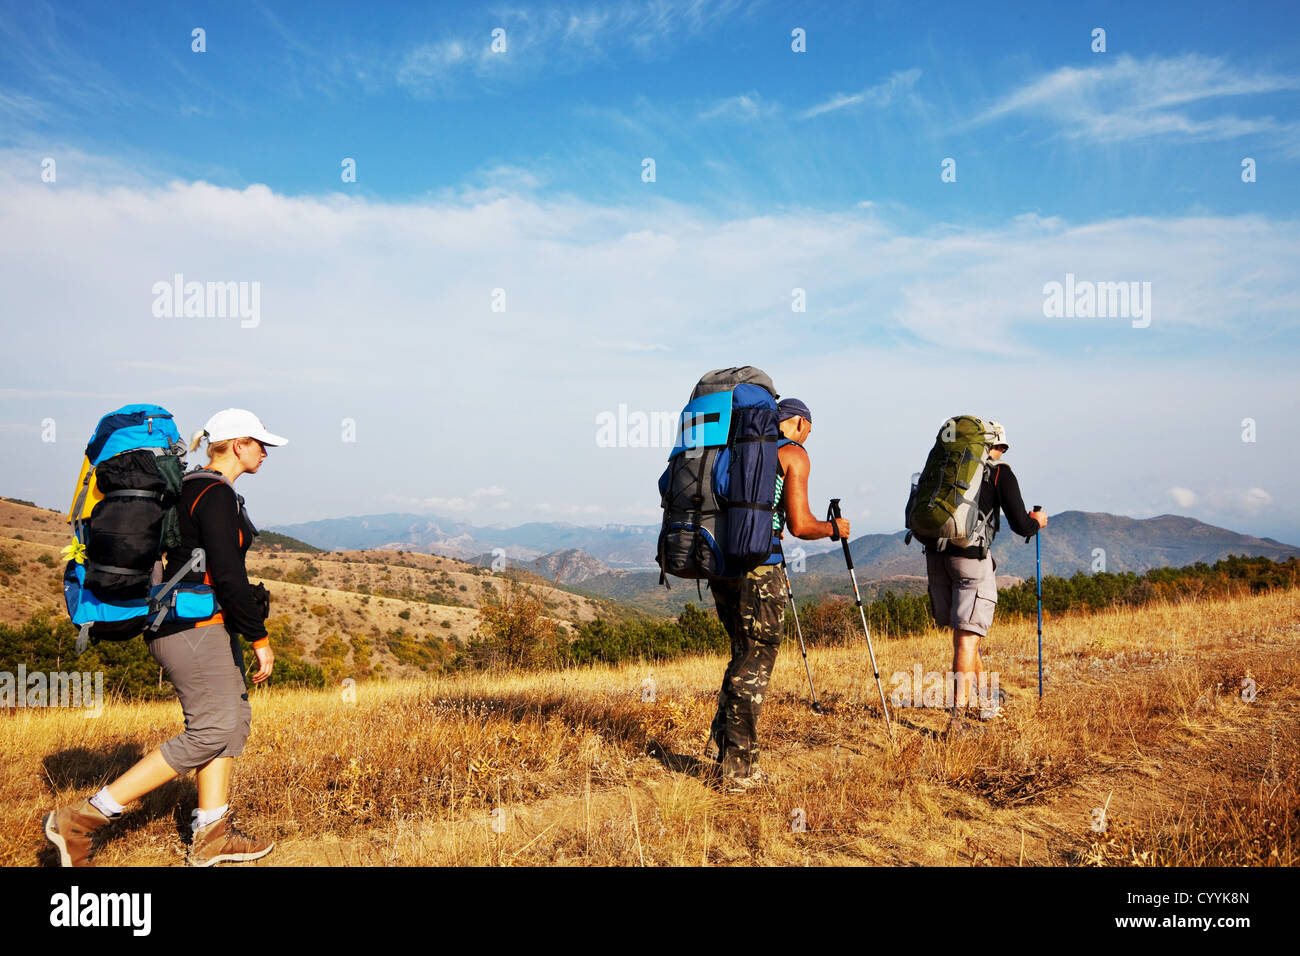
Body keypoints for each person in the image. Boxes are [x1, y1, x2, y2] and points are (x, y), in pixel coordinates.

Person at [44, 408, 286, 866]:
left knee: (231, 723)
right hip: (190, 630)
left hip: (197, 625)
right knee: (214, 726)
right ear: (237, 444)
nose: (265, 453)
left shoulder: (194, 487)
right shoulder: (213, 494)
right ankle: (83, 818)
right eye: (260, 444)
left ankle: (212, 833)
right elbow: (229, 574)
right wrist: (260, 638)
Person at [706, 398, 849, 791]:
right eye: (809, 431)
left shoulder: (734, 449)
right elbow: (802, 525)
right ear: (799, 423)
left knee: (741, 654)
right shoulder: (794, 455)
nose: (808, 438)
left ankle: (721, 746)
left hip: (721, 564)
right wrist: (834, 529)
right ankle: (738, 772)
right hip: (761, 568)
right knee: (754, 663)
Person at [918, 422, 1046, 735]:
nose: (1002, 453)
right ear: (994, 446)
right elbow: (1020, 524)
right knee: (967, 637)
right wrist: (1036, 523)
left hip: (936, 557)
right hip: (971, 560)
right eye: (1002, 447)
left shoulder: (944, 470)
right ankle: (957, 721)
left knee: (965, 633)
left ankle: (986, 702)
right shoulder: (1000, 472)